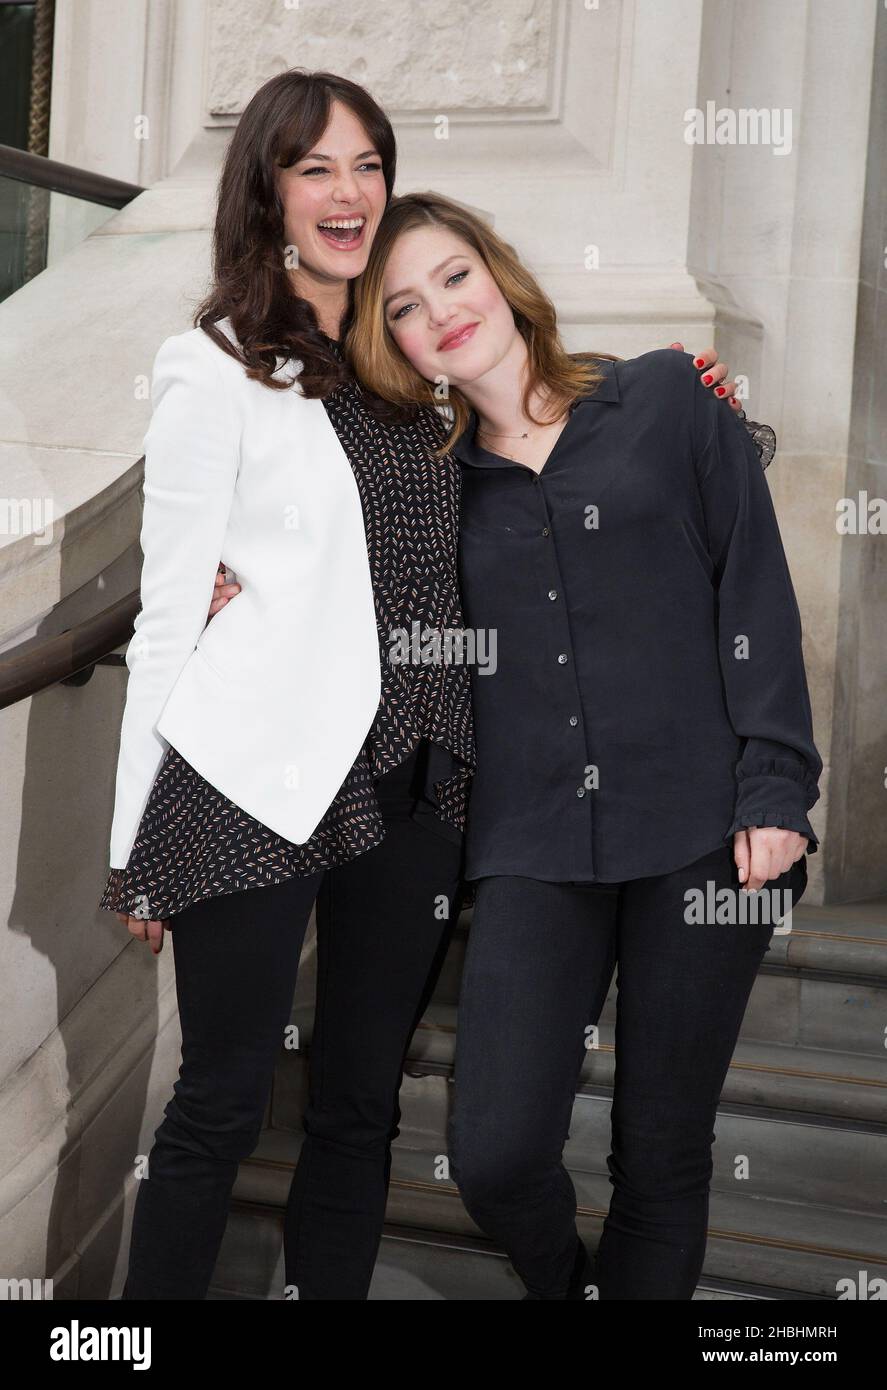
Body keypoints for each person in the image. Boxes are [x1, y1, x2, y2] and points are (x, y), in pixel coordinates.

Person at [100, 69, 745, 1300]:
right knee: (218, 1104)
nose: (347, 192)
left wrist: (678, 391)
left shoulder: (410, 365)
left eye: (366, 164)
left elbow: (534, 415)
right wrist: (136, 843)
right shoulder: (214, 365)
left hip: (417, 791)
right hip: (254, 782)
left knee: (357, 1111)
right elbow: (174, 604)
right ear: (268, 193)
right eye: (315, 168)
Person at [339, 189, 822, 1299]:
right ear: (398, 347)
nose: (442, 312)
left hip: (705, 830)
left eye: (453, 275)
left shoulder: (663, 399)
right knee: (498, 1148)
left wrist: (774, 786)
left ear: (498, 273)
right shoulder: (425, 488)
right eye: (406, 307)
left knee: (661, 1154)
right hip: (532, 843)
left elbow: (752, 593)